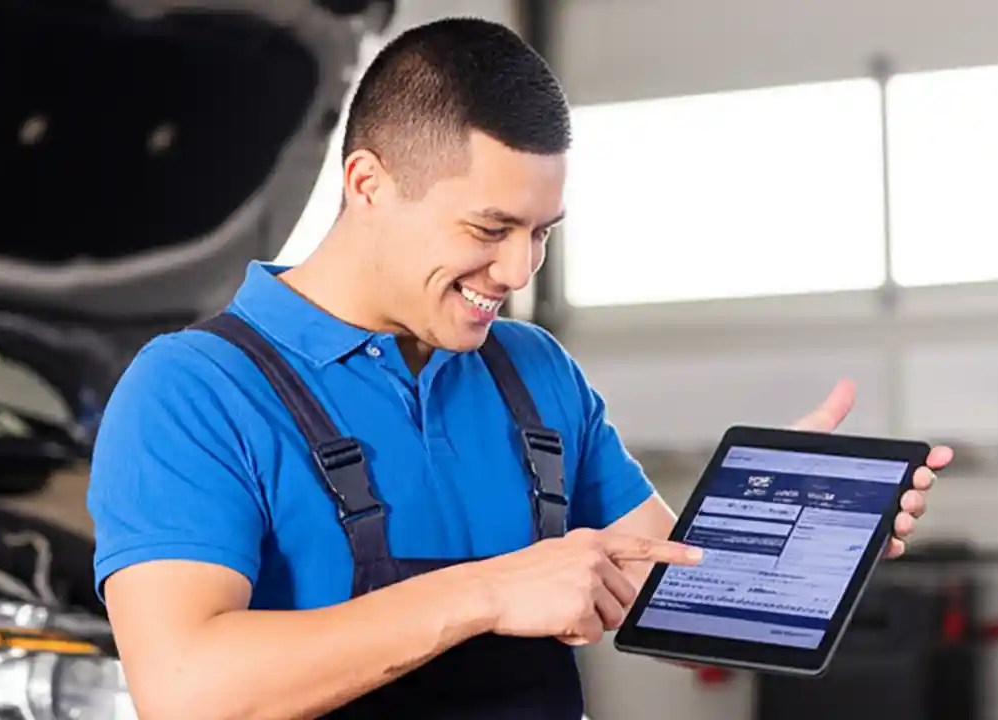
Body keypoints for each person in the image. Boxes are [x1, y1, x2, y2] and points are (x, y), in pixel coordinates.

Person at [87, 16, 952, 720]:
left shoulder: (533, 370)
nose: (517, 271)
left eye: (543, 232)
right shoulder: (193, 391)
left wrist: (778, 525)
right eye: (488, 228)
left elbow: (672, 603)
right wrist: (489, 593)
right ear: (367, 184)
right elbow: (188, 691)